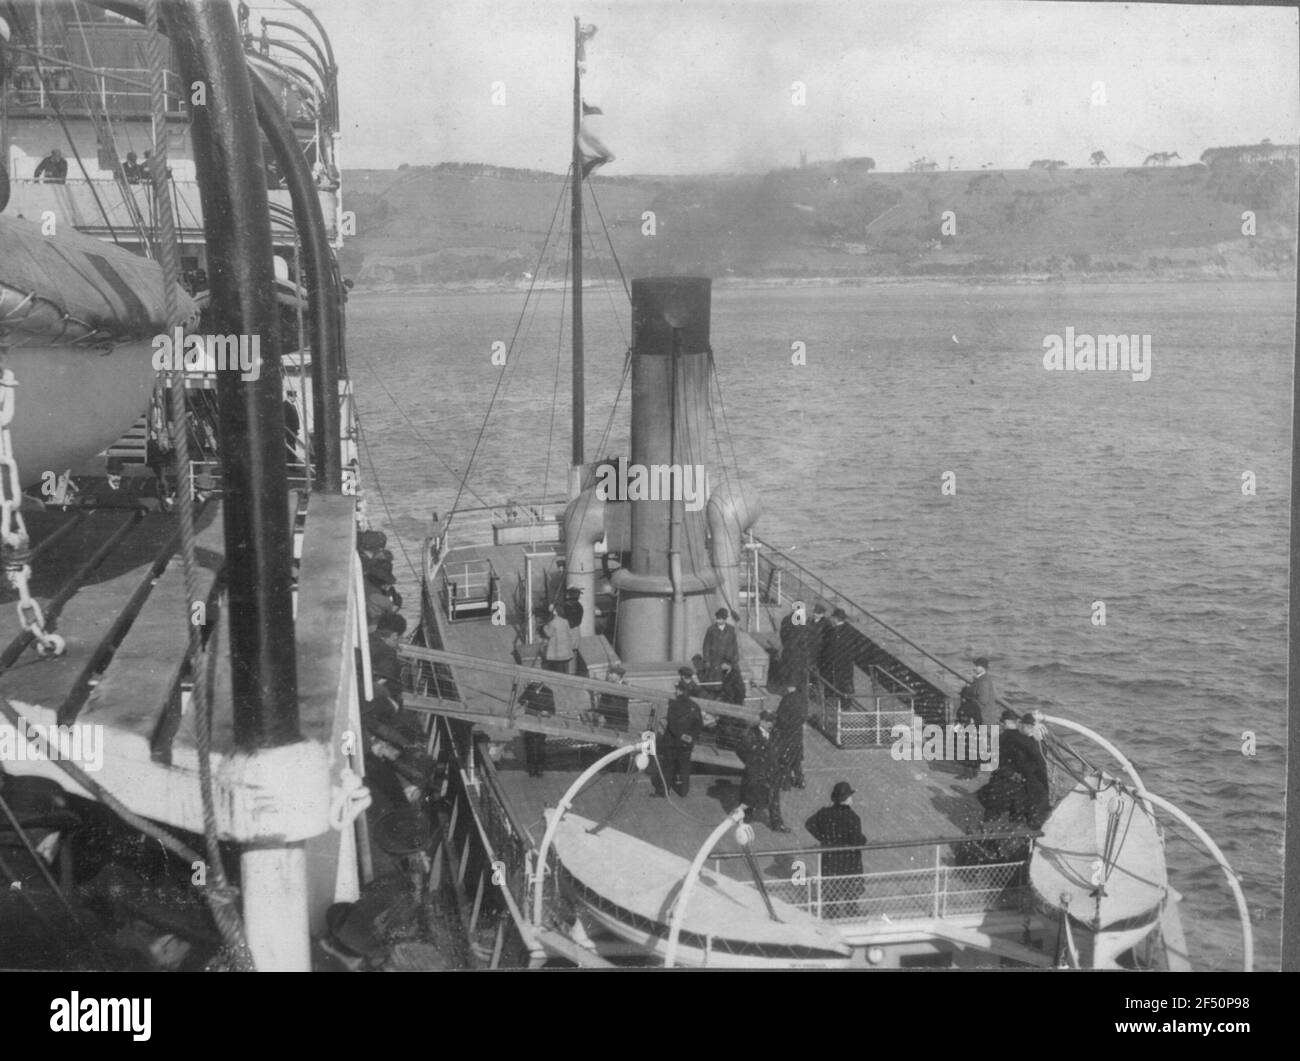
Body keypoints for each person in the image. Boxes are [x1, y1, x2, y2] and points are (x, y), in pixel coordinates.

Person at [805, 781, 867, 915]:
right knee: (850, 887)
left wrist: (823, 837)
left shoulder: (825, 813)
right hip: (848, 859)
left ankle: (832, 912)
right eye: (850, 796)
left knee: (831, 887)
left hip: (830, 858)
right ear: (846, 799)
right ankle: (851, 911)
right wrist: (864, 839)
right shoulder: (853, 817)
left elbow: (809, 824)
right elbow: (856, 840)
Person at [652, 674, 704, 798]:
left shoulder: (674, 705)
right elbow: (699, 725)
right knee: (685, 767)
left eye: (677, 689)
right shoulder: (695, 706)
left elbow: (672, 725)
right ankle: (683, 792)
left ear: (679, 690)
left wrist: (681, 736)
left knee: (668, 767)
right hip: (687, 745)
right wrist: (690, 737)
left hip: (672, 743)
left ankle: (663, 791)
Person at [736, 710, 788, 831]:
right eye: (768, 721)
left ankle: (777, 824)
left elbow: (779, 750)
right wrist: (751, 762)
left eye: (773, 721)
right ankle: (744, 820)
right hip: (756, 771)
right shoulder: (751, 733)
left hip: (772, 771)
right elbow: (740, 750)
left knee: (774, 798)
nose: (771, 724)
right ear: (762, 721)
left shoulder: (776, 734)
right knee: (749, 796)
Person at [821, 608, 857, 710]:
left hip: (836, 663)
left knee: (836, 683)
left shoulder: (834, 632)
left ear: (836, 619)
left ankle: (837, 705)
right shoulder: (849, 630)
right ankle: (846, 705)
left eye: (832, 617)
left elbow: (830, 648)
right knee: (847, 684)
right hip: (847, 663)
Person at [773, 684, 808, 789]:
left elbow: (780, 716)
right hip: (797, 733)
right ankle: (800, 780)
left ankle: (785, 783)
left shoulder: (787, 699)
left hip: (787, 733)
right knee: (796, 759)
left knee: (786, 758)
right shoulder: (802, 698)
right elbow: (804, 715)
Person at [778, 605, 813, 691]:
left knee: (791, 677)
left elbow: (783, 636)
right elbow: (804, 638)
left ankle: (792, 694)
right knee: (796, 677)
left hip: (789, 652)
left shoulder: (786, 619)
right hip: (797, 653)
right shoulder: (800, 621)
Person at [700, 607, 739, 683]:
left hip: (728, 660)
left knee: (728, 681)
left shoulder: (731, 630)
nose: (718, 620)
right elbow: (706, 646)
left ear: (724, 619)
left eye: (720, 618)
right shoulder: (711, 629)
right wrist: (707, 660)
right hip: (714, 660)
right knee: (715, 681)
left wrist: (734, 660)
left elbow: (734, 645)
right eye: (717, 618)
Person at [958, 656, 997, 728]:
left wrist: (971, 711)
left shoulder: (984, 681)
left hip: (984, 719)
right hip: (983, 718)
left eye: (976, 665)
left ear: (983, 667)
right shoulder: (981, 679)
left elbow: (983, 701)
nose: (974, 668)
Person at [540, 603, 574, 673]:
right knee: (566, 669)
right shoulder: (565, 621)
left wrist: (544, 627)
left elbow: (549, 634)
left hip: (557, 652)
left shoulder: (552, 622)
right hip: (565, 651)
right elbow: (569, 634)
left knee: (558, 670)